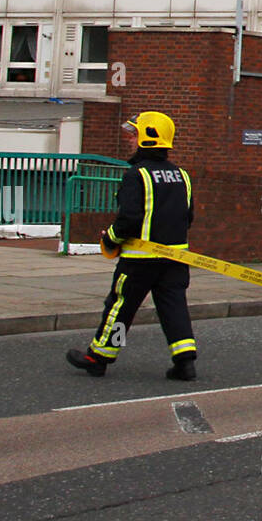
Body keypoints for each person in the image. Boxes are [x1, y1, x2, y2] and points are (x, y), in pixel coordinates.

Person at [66, 111, 198, 381]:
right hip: (176, 258)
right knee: (173, 307)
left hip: (139, 260)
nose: (131, 139)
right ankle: (185, 362)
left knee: (121, 307)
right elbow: (189, 217)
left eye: (135, 134)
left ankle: (99, 357)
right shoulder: (183, 176)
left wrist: (110, 238)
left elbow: (129, 219)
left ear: (148, 140)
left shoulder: (136, 175)